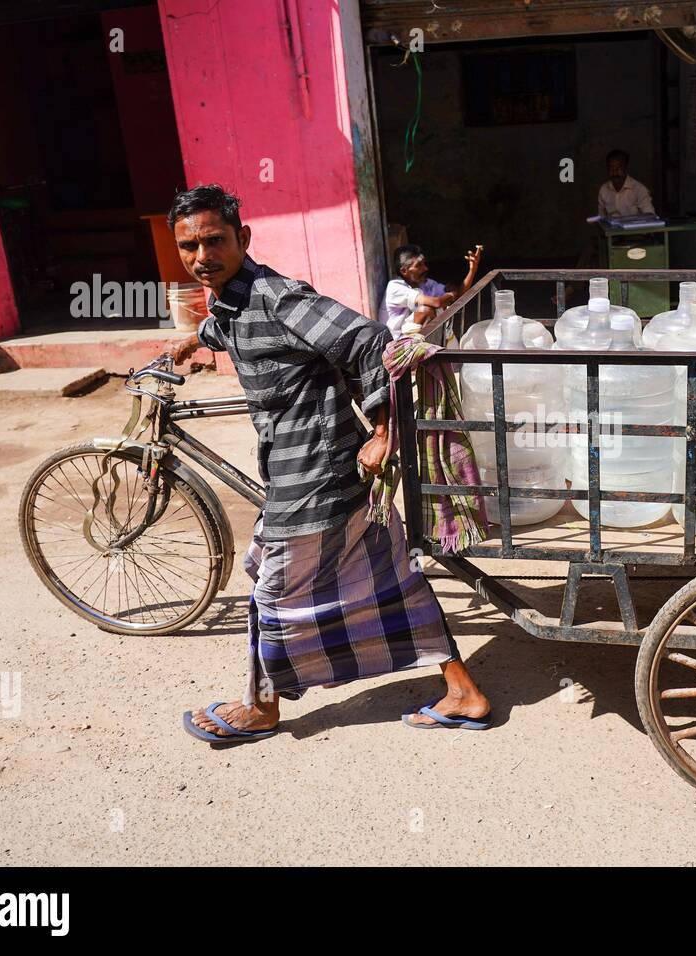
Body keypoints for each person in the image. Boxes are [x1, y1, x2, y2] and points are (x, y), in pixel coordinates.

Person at [167, 184, 490, 741]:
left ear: (242, 237)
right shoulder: (232, 298)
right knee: (391, 576)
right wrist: (191, 340)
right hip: (316, 469)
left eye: (214, 241)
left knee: (272, 592)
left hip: (313, 471)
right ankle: (464, 691)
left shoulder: (277, 297)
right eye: (189, 247)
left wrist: (384, 429)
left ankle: (262, 708)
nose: (202, 257)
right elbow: (230, 327)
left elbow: (366, 340)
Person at [380, 242, 481, 337]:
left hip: (414, 338)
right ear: (404, 271)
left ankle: (433, 343)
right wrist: (450, 295)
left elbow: (459, 296)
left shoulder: (426, 284)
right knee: (426, 310)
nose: (425, 269)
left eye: (424, 264)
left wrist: (472, 271)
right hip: (395, 343)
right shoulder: (395, 287)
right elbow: (437, 302)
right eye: (419, 265)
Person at [597, 149, 655, 220]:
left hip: (634, 230)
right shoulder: (604, 189)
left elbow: (650, 215)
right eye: (611, 168)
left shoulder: (639, 189)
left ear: (626, 168)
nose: (615, 173)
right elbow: (601, 217)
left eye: (619, 168)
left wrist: (630, 221)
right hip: (612, 230)